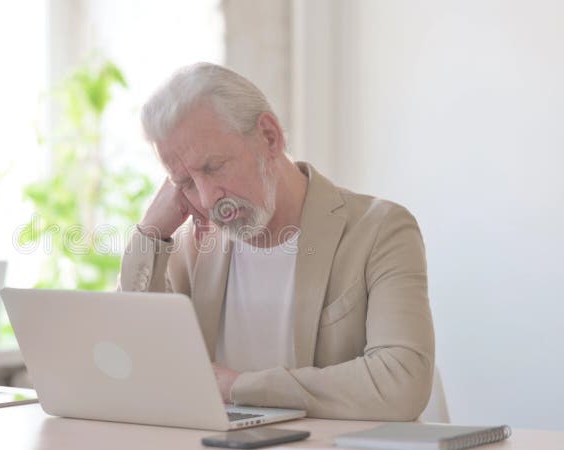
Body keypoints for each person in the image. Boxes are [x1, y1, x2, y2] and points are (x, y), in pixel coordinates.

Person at [118, 62, 434, 421]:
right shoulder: (194, 244)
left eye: (213, 167)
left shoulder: (380, 230)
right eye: (185, 183)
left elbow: (401, 384)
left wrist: (238, 386)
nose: (206, 199)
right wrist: (150, 235)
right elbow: (136, 364)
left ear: (269, 137)